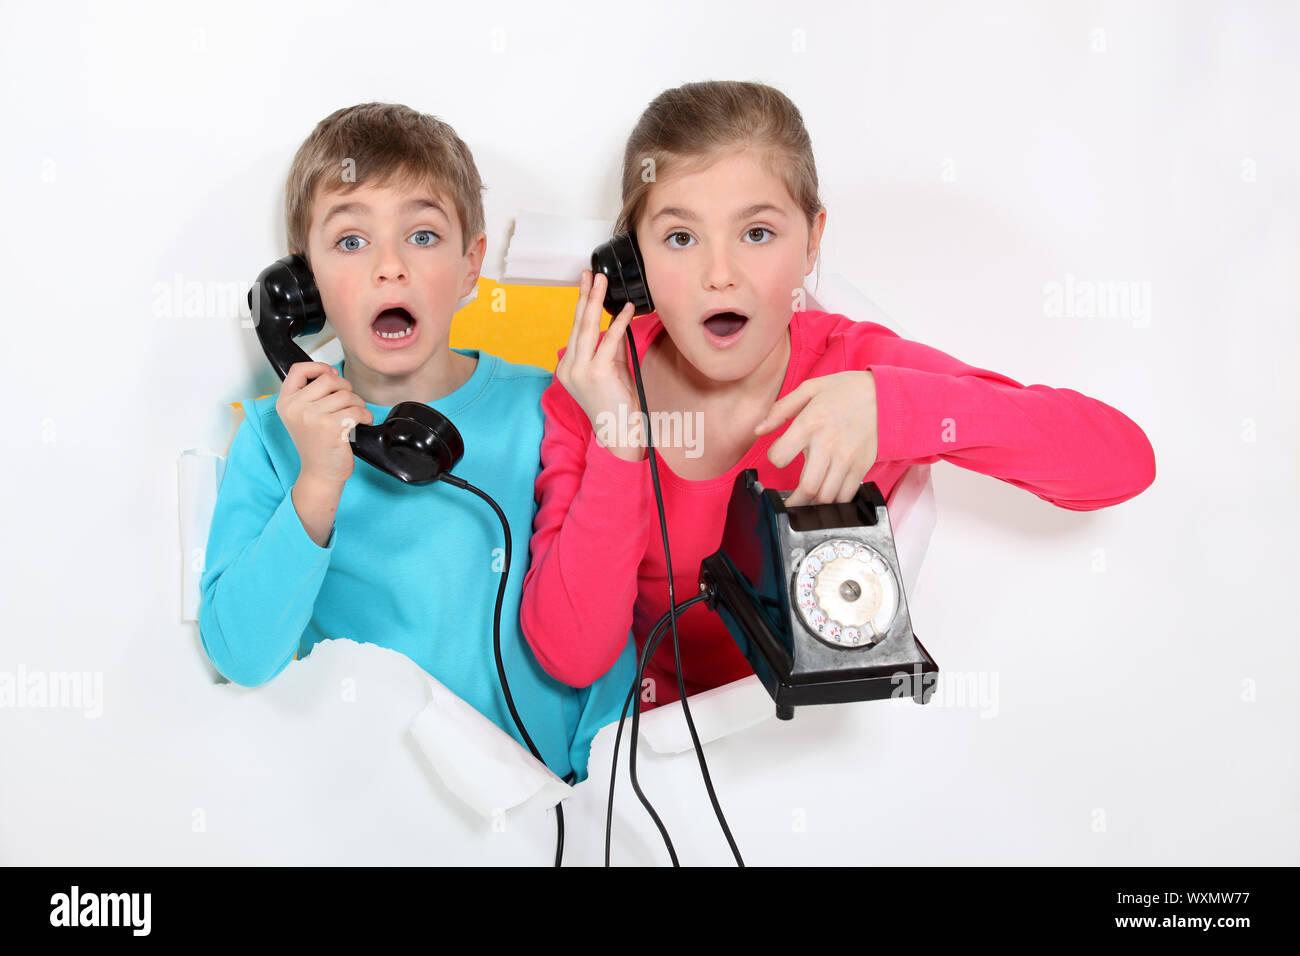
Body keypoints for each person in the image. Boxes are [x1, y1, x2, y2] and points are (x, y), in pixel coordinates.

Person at [520, 80, 1156, 709]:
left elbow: (1121, 462)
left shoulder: (855, 368)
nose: (720, 276)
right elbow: (571, 658)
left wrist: (894, 410)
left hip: (823, 743)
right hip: (667, 755)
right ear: (632, 260)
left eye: (758, 233)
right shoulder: (594, 392)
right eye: (681, 238)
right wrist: (619, 443)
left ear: (813, 241)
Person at [199, 102, 633, 782]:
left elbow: (603, 605)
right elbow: (242, 653)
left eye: (423, 237)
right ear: (304, 289)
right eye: (350, 242)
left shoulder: (552, 407)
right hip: (371, 807)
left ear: (469, 267)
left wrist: (599, 790)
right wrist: (317, 481)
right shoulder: (273, 437)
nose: (389, 268)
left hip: (549, 802)